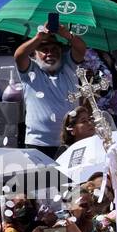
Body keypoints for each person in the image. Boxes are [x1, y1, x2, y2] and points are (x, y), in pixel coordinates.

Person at [14, 25, 92, 156]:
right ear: (35, 54)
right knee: (43, 178)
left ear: (61, 51)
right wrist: (38, 37)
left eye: (55, 49)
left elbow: (81, 49)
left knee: (69, 177)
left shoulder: (68, 65)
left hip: (70, 141)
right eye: (44, 50)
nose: (50, 53)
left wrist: (67, 35)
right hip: (38, 143)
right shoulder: (30, 71)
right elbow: (19, 55)